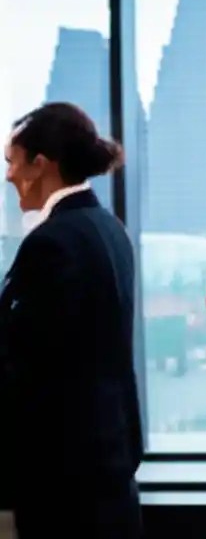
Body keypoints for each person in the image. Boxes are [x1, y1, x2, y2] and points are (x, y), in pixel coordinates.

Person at [0, 102, 142, 538]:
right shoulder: (108, 228)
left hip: (65, 475)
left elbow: (26, 362)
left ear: (40, 165)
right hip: (108, 463)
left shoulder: (53, 242)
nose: (7, 176)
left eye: (12, 162)